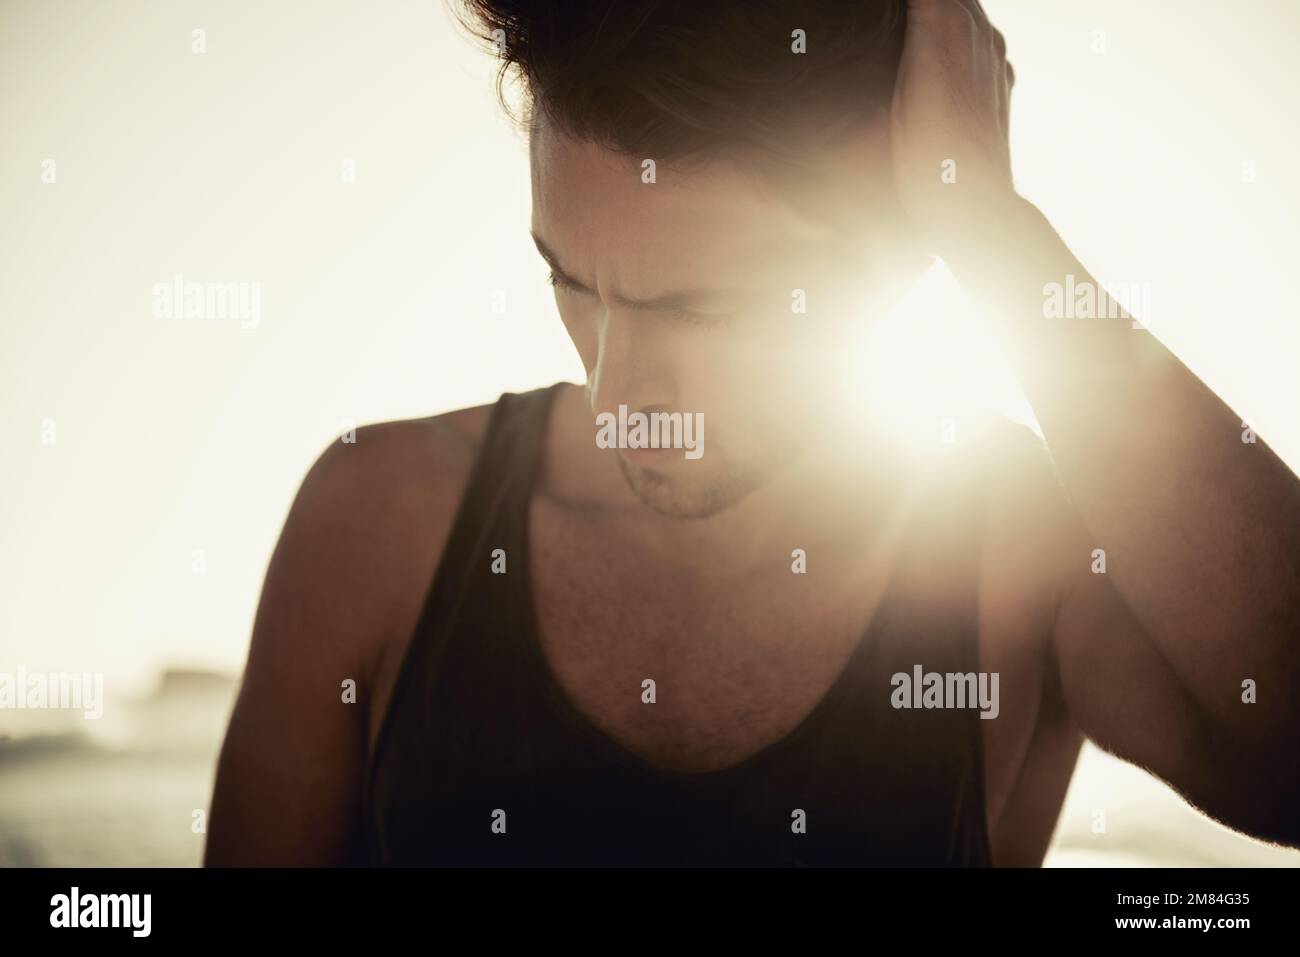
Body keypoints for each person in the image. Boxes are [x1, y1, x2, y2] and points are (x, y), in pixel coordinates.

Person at [205, 0, 1300, 866]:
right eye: (573, 281)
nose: (617, 395)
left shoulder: (1016, 549)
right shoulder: (379, 519)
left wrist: (989, 224)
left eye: (705, 310)